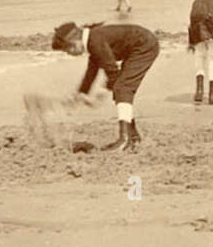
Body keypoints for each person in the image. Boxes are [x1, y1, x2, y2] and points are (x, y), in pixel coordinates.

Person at [51, 21, 159, 153]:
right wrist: (82, 93)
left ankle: (124, 140)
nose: (69, 54)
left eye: (67, 50)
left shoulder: (95, 41)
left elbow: (112, 71)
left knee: (122, 88)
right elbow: (92, 70)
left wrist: (101, 94)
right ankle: (133, 136)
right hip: (139, 45)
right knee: (120, 89)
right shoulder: (93, 41)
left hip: (145, 46)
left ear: (74, 41)